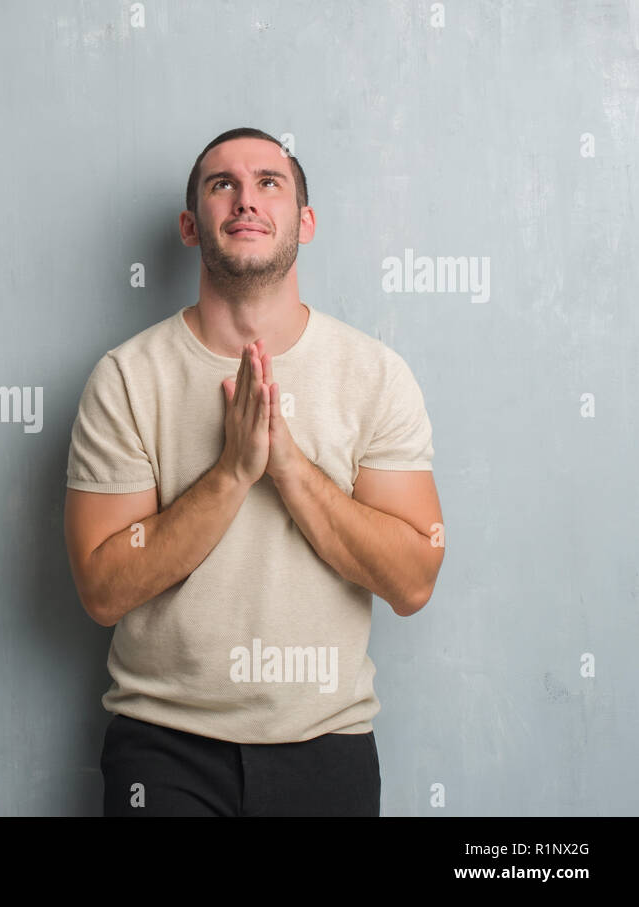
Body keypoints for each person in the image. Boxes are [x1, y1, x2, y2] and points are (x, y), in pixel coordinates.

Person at [64, 127, 444, 816]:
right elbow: (101, 589)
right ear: (190, 225)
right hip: (164, 745)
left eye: (270, 182)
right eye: (222, 185)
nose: (247, 199)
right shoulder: (125, 378)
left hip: (328, 742)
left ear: (305, 221)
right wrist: (231, 476)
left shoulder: (375, 376)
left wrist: (290, 469)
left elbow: (414, 578)